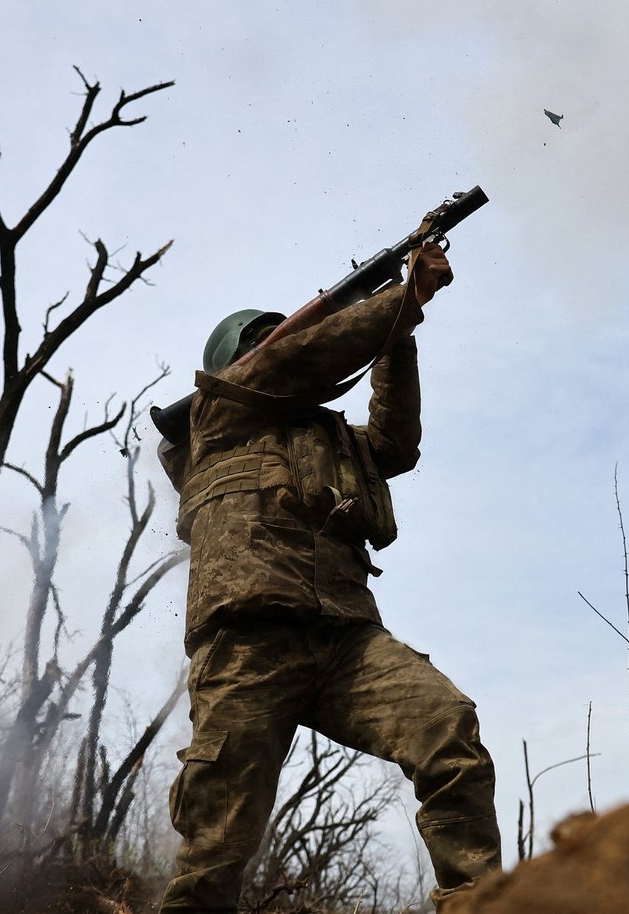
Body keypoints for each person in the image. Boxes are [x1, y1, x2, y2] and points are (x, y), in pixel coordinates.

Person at [156, 243, 501, 913]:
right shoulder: (217, 414)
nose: (295, 345)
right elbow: (293, 361)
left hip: (345, 638)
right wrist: (399, 301)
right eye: (265, 344)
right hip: (248, 642)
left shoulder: (333, 439)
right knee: (217, 832)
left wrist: (397, 333)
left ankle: (480, 903)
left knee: (444, 725)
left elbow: (396, 444)